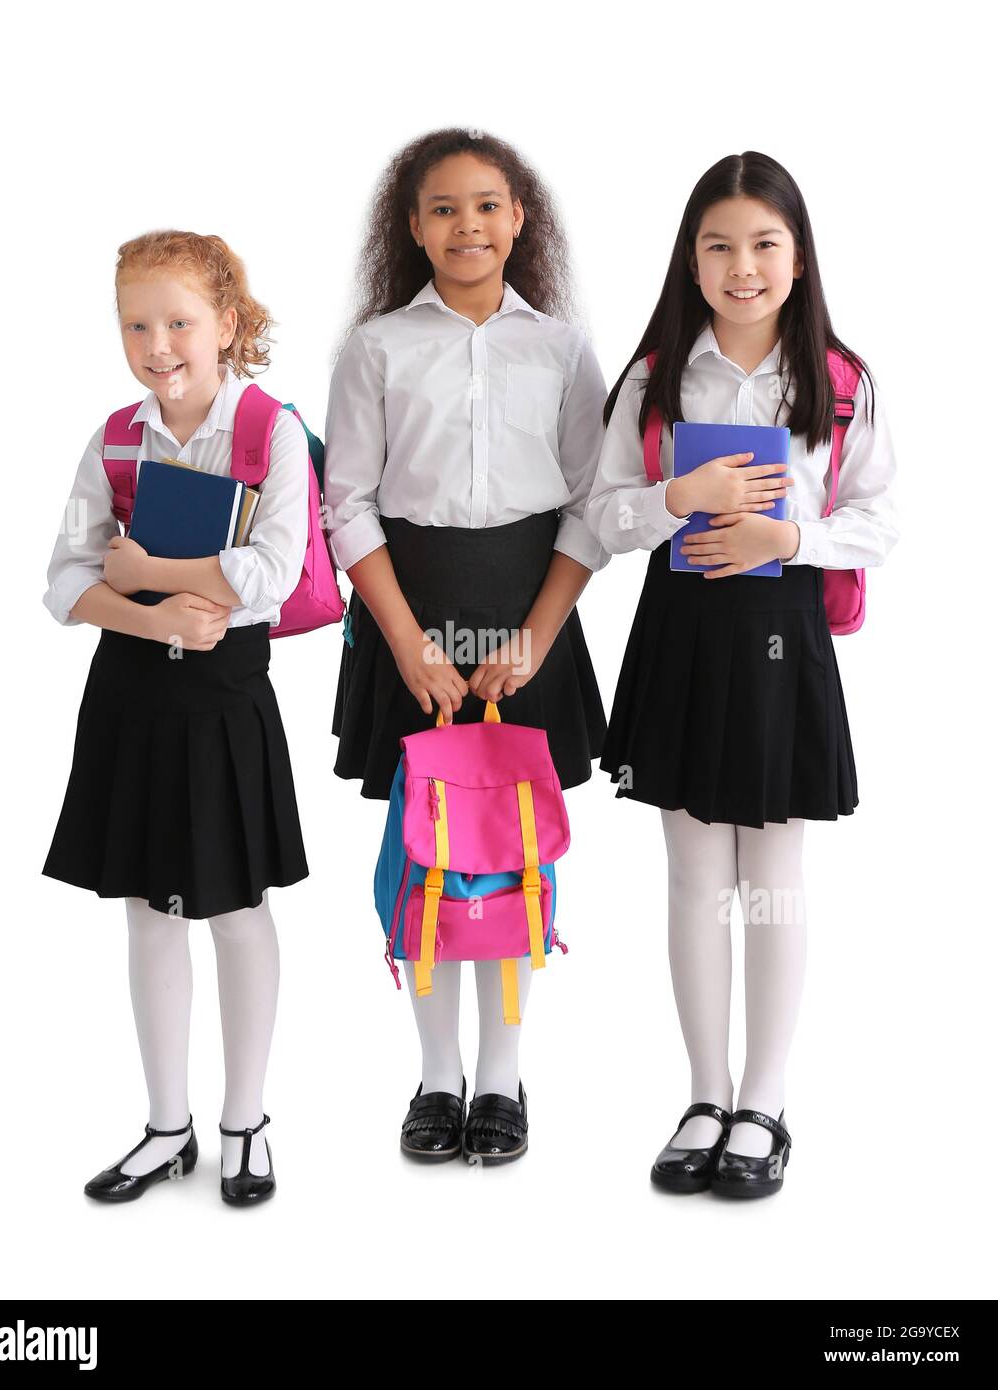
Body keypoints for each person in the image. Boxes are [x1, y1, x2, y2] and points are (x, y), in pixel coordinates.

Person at [585, 151, 899, 1197]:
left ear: (799, 258)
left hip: (778, 634)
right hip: (679, 630)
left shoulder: (839, 381)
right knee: (691, 878)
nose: (741, 265)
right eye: (716, 245)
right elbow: (598, 514)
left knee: (768, 879)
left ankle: (764, 1102)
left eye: (763, 243)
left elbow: (878, 521)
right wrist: (679, 495)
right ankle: (703, 1093)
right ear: (690, 259)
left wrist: (789, 530)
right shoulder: (656, 377)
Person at [324, 128, 609, 1163]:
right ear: (410, 226)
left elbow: (593, 504)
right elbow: (345, 503)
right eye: (441, 208)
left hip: (531, 615)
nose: (466, 225)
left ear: (518, 216)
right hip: (414, 614)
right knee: (424, 847)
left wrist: (536, 634)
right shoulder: (377, 347)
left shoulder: (564, 348)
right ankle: (435, 1074)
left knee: (515, 851)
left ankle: (501, 1075)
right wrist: (405, 643)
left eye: (485, 204)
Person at [42, 230, 310, 1204]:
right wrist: (143, 608)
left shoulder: (267, 430)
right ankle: (167, 1127)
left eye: (180, 322)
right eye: (137, 325)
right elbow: (67, 579)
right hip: (132, 690)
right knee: (148, 909)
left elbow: (271, 573)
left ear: (226, 325)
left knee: (234, 907)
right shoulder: (117, 435)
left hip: (224, 695)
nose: (159, 344)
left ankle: (246, 1122)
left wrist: (148, 571)